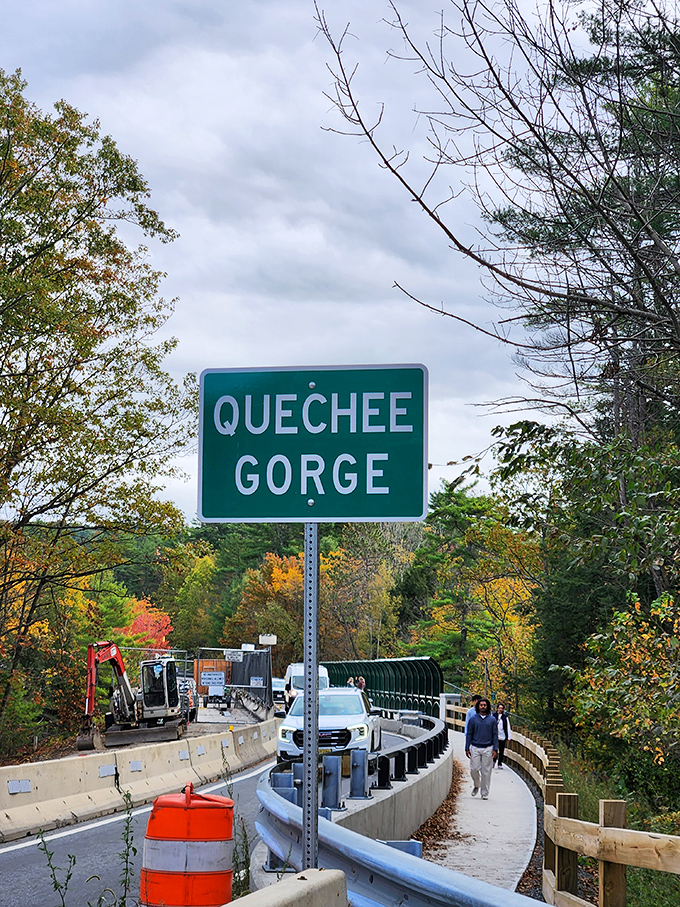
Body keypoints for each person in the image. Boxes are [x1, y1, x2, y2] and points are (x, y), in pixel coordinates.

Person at [465, 697, 498, 800]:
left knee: (486, 771)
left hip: (488, 747)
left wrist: (495, 749)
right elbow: (469, 734)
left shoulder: (492, 720)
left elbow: (495, 735)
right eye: (481, 705)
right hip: (475, 746)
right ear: (478, 706)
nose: (483, 707)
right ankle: (476, 784)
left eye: (485, 705)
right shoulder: (473, 719)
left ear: (487, 707)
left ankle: (484, 793)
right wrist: (467, 747)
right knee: (474, 769)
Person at [494, 701, 511, 769]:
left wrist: (508, 737)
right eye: (499, 708)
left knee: (501, 750)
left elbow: (508, 727)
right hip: (495, 735)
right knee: (494, 749)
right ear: (497, 708)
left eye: (501, 708)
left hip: (502, 736)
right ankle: (493, 761)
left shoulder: (505, 717)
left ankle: (500, 763)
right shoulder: (494, 716)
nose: (500, 709)